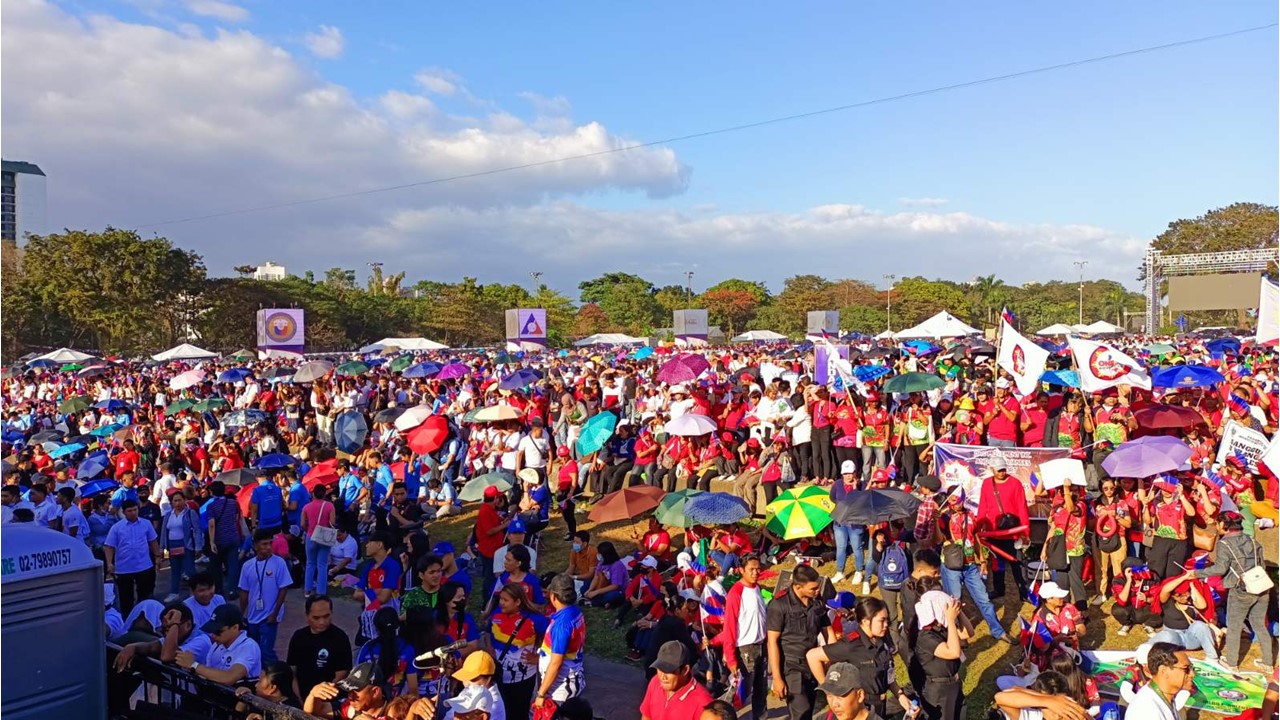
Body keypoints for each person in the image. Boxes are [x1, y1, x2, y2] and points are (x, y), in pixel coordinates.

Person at [807, 597, 914, 718]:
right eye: (882, 620)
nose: (886, 625)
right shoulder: (851, 645)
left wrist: (901, 696)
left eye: (887, 620)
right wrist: (829, 690)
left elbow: (888, 676)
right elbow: (812, 656)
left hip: (880, 706)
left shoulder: (883, 640)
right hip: (860, 709)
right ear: (866, 621)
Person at [1194, 510, 1275, 670]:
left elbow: (1220, 568)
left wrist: (1197, 573)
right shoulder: (1252, 539)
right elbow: (1261, 564)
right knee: (1259, 624)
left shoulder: (1224, 544)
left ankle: (1231, 663)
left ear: (1223, 524)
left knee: (1235, 625)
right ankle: (1268, 663)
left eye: (1218, 523)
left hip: (1241, 589)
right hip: (1261, 587)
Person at [935, 487, 1011, 644]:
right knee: (954, 601)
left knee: (984, 599)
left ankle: (998, 632)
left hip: (970, 566)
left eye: (959, 501)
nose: (957, 505)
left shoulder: (970, 515)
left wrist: (982, 560)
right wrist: (936, 521)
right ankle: (957, 634)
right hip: (951, 566)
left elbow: (975, 537)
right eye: (954, 501)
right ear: (949, 501)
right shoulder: (944, 517)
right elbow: (937, 540)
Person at [766, 563, 832, 720]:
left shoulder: (816, 601)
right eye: (813, 588)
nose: (817, 591)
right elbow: (772, 642)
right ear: (798, 587)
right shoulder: (779, 605)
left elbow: (828, 632)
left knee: (809, 710)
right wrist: (777, 678)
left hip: (813, 666)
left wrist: (832, 659)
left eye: (818, 587)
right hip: (792, 668)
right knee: (801, 712)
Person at [715, 554, 768, 720]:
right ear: (741, 570)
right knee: (738, 692)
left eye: (758, 569)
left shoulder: (758, 588)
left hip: (761, 646)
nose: (755, 572)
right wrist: (731, 659)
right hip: (746, 649)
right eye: (751, 569)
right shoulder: (736, 593)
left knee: (761, 689)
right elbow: (729, 627)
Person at [488, 582, 549, 720]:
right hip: (499, 677)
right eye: (500, 599)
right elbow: (488, 633)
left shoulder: (535, 619)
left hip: (523, 679)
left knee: (519, 714)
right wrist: (490, 648)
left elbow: (553, 642)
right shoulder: (496, 615)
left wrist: (539, 658)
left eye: (505, 600)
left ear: (517, 602)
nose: (501, 603)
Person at [912, 590, 973, 720]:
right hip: (939, 690)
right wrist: (951, 620)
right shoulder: (925, 636)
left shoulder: (943, 628)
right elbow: (953, 652)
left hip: (954, 684)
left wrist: (959, 612)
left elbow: (968, 633)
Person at [976, 459, 1030, 603]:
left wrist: (1025, 532)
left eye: (1003, 469)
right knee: (996, 563)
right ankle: (998, 589)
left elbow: (1022, 507)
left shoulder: (1015, 483)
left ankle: (1023, 592)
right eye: (999, 470)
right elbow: (983, 506)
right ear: (992, 469)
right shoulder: (987, 484)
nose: (1002, 473)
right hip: (993, 531)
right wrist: (979, 527)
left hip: (1012, 532)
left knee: (1017, 563)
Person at [174, 604, 263, 686]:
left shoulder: (248, 647)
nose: (213, 635)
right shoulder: (217, 645)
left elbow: (229, 677)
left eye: (218, 632)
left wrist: (193, 665)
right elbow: (208, 674)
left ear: (235, 628)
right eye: (212, 631)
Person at [239, 527, 292, 663]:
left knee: (266, 650)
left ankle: (278, 676)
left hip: (270, 615)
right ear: (255, 545)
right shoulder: (247, 566)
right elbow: (244, 592)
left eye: (270, 543)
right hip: (252, 616)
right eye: (264, 544)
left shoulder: (279, 563)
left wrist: (275, 613)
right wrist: (241, 614)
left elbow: (283, 589)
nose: (268, 547)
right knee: (254, 649)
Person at [535, 574, 587, 710]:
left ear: (553, 596)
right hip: (569, 680)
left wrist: (541, 694)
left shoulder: (561, 625)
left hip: (560, 689)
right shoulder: (575, 612)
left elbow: (556, 662)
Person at [287, 595, 353, 699]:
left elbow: (342, 673)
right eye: (316, 618)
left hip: (327, 698)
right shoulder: (299, 637)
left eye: (326, 616)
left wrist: (318, 699)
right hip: (301, 695)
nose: (322, 622)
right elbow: (292, 671)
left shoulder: (340, 638)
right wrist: (298, 698)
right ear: (307, 615)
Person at [103, 498, 161, 614]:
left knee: (144, 596)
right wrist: (109, 563)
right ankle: (127, 622)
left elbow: (153, 541)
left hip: (144, 566)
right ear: (124, 512)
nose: (133, 513)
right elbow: (109, 546)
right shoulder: (117, 527)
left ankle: (144, 619)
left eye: (135, 510)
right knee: (126, 599)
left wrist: (158, 556)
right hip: (124, 568)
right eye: (129, 511)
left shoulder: (146, 524)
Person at [639, 640, 714, 720]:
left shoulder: (703, 703)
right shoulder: (655, 682)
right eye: (660, 669)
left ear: (685, 670)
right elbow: (647, 715)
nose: (662, 677)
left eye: (668, 671)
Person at [355, 606, 418, 698]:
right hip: (397, 705)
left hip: (372, 703)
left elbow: (357, 679)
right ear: (398, 625)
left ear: (376, 627)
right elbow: (413, 689)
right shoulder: (407, 649)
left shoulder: (367, 648)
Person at [303, 661, 393, 720]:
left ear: (375, 692)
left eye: (355, 691)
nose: (350, 696)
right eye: (349, 691)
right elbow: (313, 712)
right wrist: (313, 696)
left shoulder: (396, 711)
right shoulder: (349, 708)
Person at [1126, 642, 1194, 720]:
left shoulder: (1165, 697)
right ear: (1163, 671)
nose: (1192, 674)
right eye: (1186, 669)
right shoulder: (1146, 712)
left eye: (1192, 668)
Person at [356, 531, 402, 645]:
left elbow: (384, 598)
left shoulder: (392, 566)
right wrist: (377, 590)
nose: (366, 545)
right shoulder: (369, 567)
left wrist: (368, 594)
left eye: (369, 542)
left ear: (379, 544)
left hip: (388, 618)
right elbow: (356, 594)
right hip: (369, 617)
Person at [1026, 582, 1084, 670]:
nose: (1062, 598)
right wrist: (1058, 639)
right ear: (1049, 599)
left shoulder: (1070, 607)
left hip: (1074, 653)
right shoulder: (1039, 617)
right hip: (1053, 659)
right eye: (1059, 596)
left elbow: (1081, 628)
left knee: (1089, 668)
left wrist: (1078, 633)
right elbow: (1041, 647)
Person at [160, 489, 203, 601]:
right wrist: (162, 547)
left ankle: (194, 592)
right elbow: (164, 531)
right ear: (172, 503)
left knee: (190, 570)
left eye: (180, 500)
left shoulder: (190, 513)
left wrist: (198, 546)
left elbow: (197, 530)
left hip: (186, 545)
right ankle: (174, 592)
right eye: (175, 501)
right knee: (175, 570)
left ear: (184, 501)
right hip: (172, 545)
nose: (177, 503)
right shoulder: (168, 515)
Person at [206, 480, 246, 598]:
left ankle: (219, 590)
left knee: (216, 566)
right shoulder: (233, 503)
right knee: (232, 565)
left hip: (219, 539)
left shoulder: (211, 506)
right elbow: (237, 518)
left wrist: (211, 541)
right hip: (233, 537)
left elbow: (212, 524)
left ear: (212, 492)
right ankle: (232, 590)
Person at [301, 483, 339, 598]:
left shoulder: (306, 507)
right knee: (322, 564)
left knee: (310, 563)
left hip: (310, 536)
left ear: (313, 494)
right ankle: (321, 592)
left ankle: (307, 590)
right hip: (324, 537)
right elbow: (332, 522)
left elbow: (302, 524)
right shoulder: (329, 506)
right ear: (324, 494)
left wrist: (309, 530)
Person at [582, 541, 628, 608]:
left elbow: (615, 586)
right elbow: (596, 577)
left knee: (612, 596)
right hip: (603, 585)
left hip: (618, 590)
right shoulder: (601, 562)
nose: (598, 555)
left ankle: (593, 602)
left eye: (600, 554)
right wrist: (590, 589)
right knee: (585, 586)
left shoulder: (617, 566)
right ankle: (602, 602)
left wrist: (597, 592)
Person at [566, 531, 597, 597]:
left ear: (585, 544)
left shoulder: (593, 552)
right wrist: (564, 576)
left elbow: (591, 574)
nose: (574, 544)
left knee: (582, 590)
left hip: (592, 579)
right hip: (581, 578)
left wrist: (575, 577)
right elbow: (571, 566)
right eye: (574, 541)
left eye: (577, 542)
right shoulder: (574, 551)